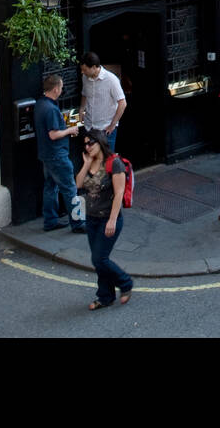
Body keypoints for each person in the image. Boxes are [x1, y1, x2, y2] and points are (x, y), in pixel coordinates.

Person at [76, 129, 133, 310]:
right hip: (91, 219)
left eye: (90, 143)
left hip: (108, 219)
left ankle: (125, 282)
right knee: (99, 260)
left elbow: (118, 194)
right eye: (85, 144)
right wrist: (86, 164)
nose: (88, 147)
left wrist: (112, 220)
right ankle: (105, 296)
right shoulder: (90, 162)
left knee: (99, 259)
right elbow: (78, 184)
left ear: (100, 142)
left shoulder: (114, 163)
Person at [36, 73, 83, 233]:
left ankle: (50, 221)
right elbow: (53, 134)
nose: (62, 90)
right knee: (70, 188)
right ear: (56, 89)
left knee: (50, 187)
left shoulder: (40, 104)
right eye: (61, 87)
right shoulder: (50, 109)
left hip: (46, 154)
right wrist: (70, 130)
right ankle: (78, 223)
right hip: (57, 155)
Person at [80, 52, 126, 152]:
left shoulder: (111, 80)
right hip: (89, 128)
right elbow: (84, 94)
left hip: (105, 129)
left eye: (84, 69)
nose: (82, 72)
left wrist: (113, 125)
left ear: (93, 67)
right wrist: (81, 110)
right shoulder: (85, 78)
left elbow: (122, 103)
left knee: (107, 162)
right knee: (91, 160)